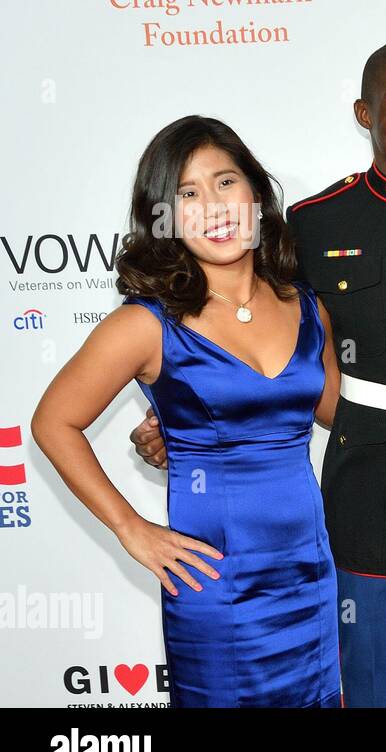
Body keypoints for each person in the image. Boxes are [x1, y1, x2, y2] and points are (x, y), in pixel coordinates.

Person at [130, 39, 386, 708]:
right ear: (364, 112)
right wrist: (183, 407)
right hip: (367, 506)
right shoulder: (317, 225)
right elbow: (252, 326)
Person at [32, 116, 341, 707]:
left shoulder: (307, 308)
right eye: (188, 195)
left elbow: (336, 413)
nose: (214, 207)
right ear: (164, 218)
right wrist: (132, 530)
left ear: (256, 192)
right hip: (214, 588)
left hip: (312, 576)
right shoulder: (146, 324)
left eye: (226, 183)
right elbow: (53, 421)